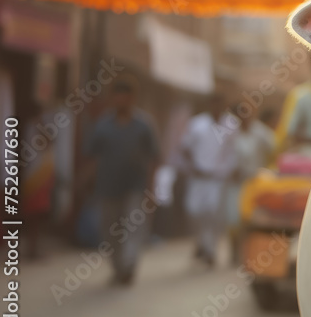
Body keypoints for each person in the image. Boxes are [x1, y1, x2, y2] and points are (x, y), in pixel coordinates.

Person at [83, 77, 160, 285]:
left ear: (132, 98)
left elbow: (154, 158)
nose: (121, 101)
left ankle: (129, 265)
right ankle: (118, 268)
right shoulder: (103, 125)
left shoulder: (144, 125)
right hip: (107, 187)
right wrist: (86, 182)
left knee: (133, 228)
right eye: (118, 96)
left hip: (136, 186)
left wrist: (151, 189)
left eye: (125, 97)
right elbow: (92, 156)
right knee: (110, 231)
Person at [175, 93, 237, 267]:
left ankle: (210, 249)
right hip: (198, 177)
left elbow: (234, 150)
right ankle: (201, 241)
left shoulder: (231, 125)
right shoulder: (197, 124)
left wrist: (230, 169)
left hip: (218, 178)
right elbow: (184, 147)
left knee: (213, 211)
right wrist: (192, 166)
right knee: (193, 209)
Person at [225, 106, 274, 263]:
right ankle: (234, 251)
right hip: (235, 182)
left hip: (254, 182)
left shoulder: (261, 132)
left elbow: (274, 148)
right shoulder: (230, 133)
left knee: (250, 217)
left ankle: (247, 253)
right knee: (233, 218)